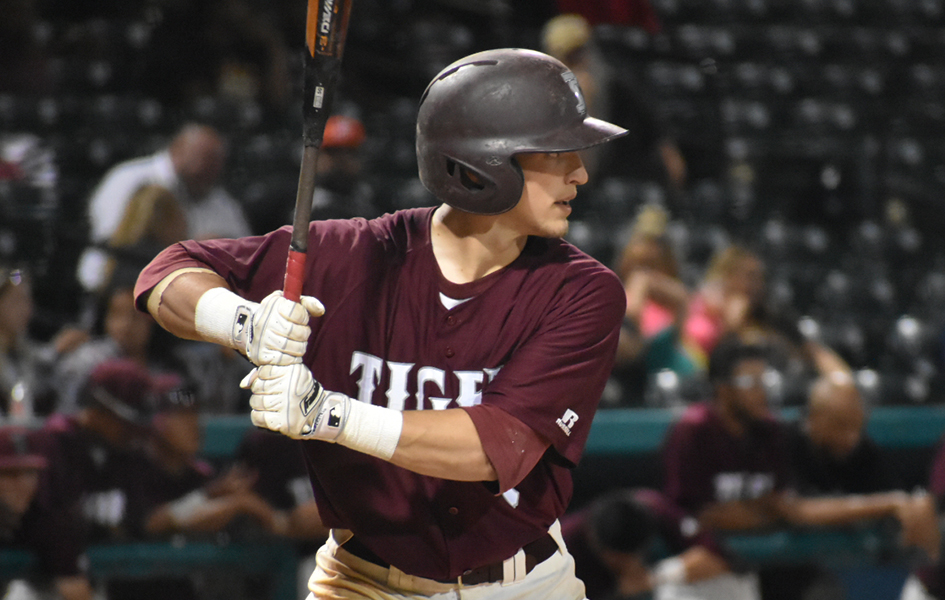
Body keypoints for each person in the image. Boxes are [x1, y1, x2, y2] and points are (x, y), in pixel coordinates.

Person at [135, 47, 628, 599]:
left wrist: (328, 415)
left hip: (524, 584)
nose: (580, 173)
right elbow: (166, 273)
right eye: (558, 153)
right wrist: (244, 322)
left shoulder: (583, 291)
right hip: (361, 582)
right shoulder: (353, 255)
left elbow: (494, 449)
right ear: (481, 164)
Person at [662, 337, 939, 598]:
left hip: (752, 571)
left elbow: (787, 509)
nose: (762, 390)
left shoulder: (770, 432)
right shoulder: (693, 430)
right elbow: (696, 517)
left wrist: (767, 512)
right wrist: (765, 511)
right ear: (722, 388)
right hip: (695, 569)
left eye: (764, 380)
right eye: (750, 381)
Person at [77, 123, 251, 292]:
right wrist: (193, 249)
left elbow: (248, 258)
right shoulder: (129, 179)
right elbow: (115, 240)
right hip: (111, 285)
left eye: (215, 166)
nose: (208, 171)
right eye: (203, 161)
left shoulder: (220, 200)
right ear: (178, 149)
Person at [540, 13, 686, 195]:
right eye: (567, 58)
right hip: (577, 190)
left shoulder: (617, 84)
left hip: (626, 177)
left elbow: (661, 141)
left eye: (580, 54)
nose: (578, 64)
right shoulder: (547, 100)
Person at [562, 487, 746, 600]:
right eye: (619, 561)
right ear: (595, 543)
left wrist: (654, 578)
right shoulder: (562, 546)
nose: (629, 566)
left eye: (632, 557)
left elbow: (715, 556)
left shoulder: (654, 508)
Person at [610, 204, 700, 406]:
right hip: (636, 377)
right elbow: (631, 321)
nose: (651, 251)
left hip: (682, 373)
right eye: (641, 266)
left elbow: (682, 310)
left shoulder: (683, 296)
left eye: (655, 264)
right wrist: (639, 284)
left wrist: (648, 282)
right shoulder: (612, 296)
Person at [0, 425, 93, 600]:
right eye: (9, 474)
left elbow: (76, 591)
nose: (22, 484)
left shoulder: (47, 522)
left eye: (30, 473)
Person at [308, 114, 380, 222]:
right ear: (318, 157)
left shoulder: (373, 200)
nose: (340, 161)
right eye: (333, 152)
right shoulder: (299, 202)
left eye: (349, 153)